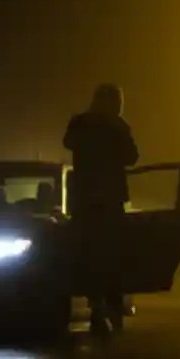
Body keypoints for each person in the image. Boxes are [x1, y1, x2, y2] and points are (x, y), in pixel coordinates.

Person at [63, 83, 138, 335]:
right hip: (109, 201)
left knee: (89, 254)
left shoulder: (80, 123)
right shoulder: (117, 126)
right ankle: (112, 307)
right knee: (113, 255)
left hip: (85, 201)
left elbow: (69, 143)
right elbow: (132, 157)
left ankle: (98, 305)